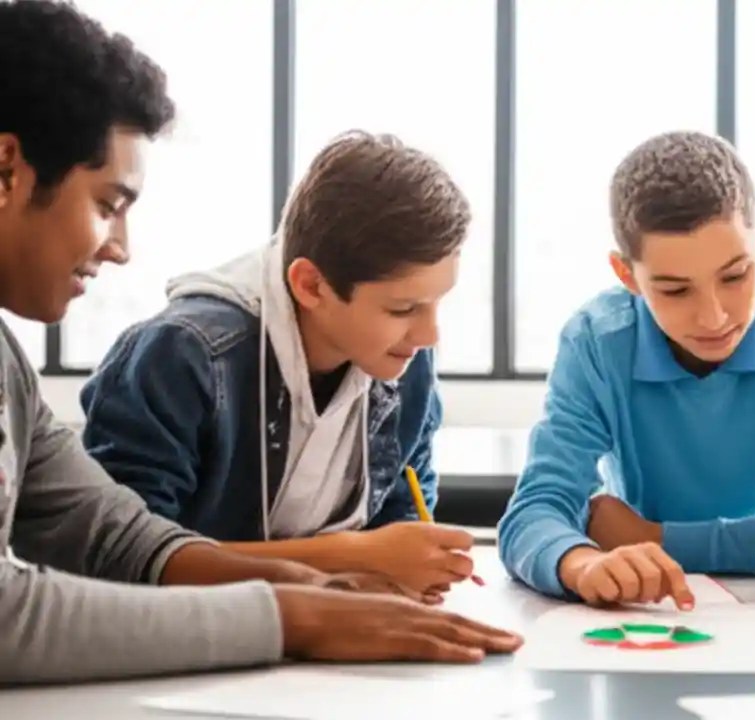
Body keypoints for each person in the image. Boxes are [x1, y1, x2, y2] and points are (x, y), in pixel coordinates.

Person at [0, 0, 518, 684]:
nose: (121, 248)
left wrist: (308, 587)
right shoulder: (193, 351)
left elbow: (117, 538)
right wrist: (295, 616)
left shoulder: (9, 363)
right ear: (7, 168)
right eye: (107, 205)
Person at [80, 129, 475, 600]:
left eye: (437, 304)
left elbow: (400, 526)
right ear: (310, 285)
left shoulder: (405, 359)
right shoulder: (183, 357)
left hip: (329, 650)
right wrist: (354, 555)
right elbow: (122, 561)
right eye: (403, 309)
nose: (430, 335)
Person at [497, 130, 755, 605]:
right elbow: (533, 511)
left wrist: (652, 537)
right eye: (675, 291)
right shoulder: (596, 341)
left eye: (736, 275)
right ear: (626, 276)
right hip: (650, 606)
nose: (714, 317)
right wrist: (585, 562)